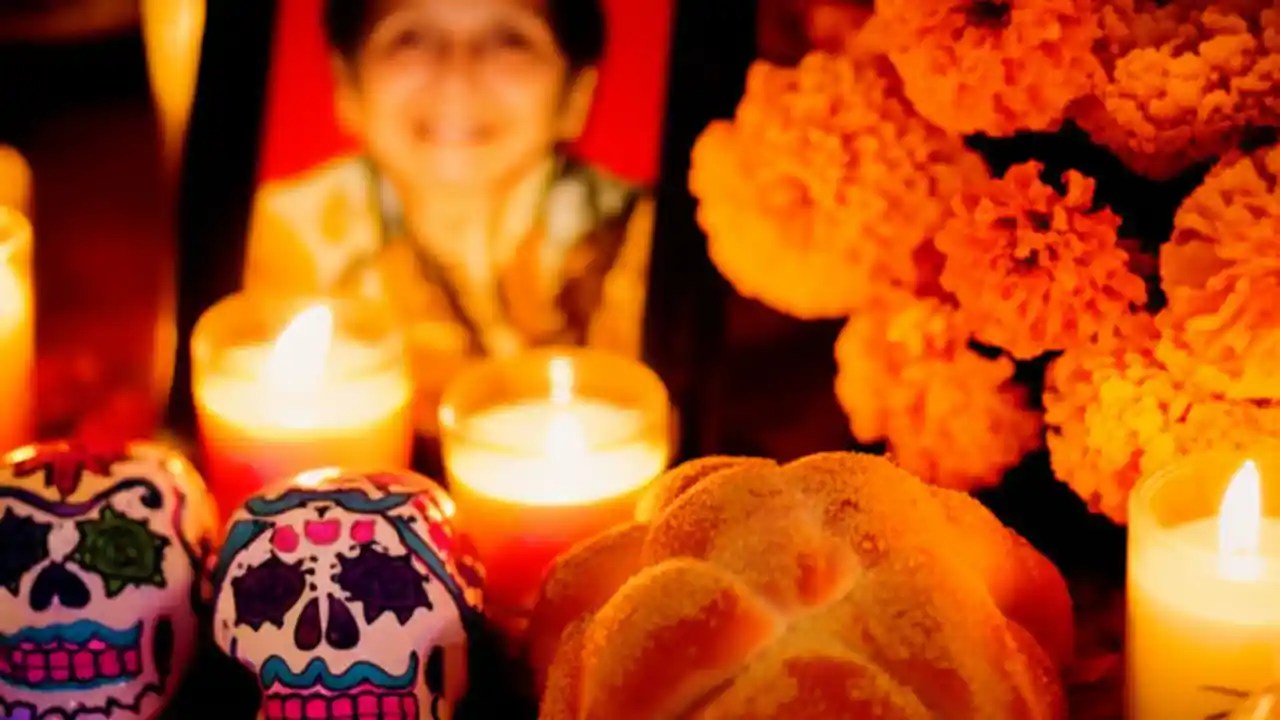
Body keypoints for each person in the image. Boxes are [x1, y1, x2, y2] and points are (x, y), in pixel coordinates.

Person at [244, 0, 653, 433]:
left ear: (576, 94)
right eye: (411, 40)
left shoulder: (646, 241)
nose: (457, 77)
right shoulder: (276, 237)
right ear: (347, 83)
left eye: (509, 42)